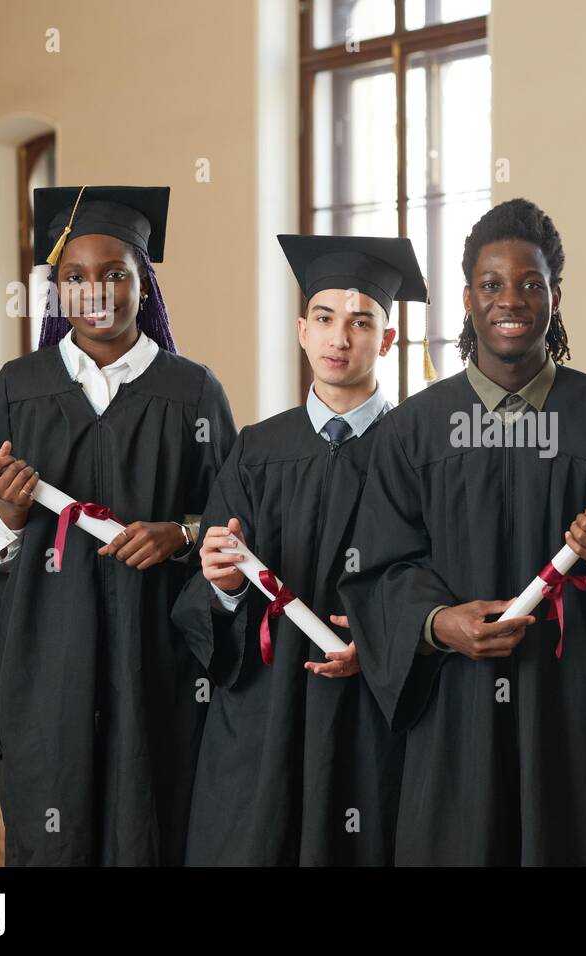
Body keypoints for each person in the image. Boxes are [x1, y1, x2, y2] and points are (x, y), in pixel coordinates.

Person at [0, 185, 236, 865]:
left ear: (146, 285)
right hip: (48, 662)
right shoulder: (20, 391)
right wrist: (10, 513)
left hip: (161, 665)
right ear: (56, 292)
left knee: (155, 826)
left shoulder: (192, 392)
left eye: (117, 274)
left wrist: (183, 535)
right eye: (74, 278)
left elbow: (237, 526)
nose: (96, 293)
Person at [338, 198, 586, 865]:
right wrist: (437, 622)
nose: (511, 299)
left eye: (530, 284)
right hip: (456, 710)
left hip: (572, 710)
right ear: (466, 298)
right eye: (492, 285)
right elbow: (376, 569)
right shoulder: (414, 429)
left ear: (555, 297)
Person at [171, 235, 423, 865]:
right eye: (325, 319)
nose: (341, 338)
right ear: (302, 331)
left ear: (386, 341)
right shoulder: (256, 450)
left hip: (375, 713)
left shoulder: (420, 451)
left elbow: (438, 580)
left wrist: (387, 643)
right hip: (266, 712)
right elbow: (206, 601)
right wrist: (223, 585)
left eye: (361, 322)